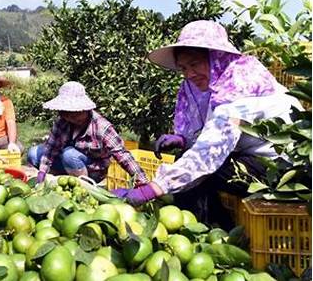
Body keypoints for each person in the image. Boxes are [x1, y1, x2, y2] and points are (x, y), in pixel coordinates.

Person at [113, 20, 302, 229]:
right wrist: (183, 138)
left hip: (286, 171)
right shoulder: (222, 83)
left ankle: (210, 230)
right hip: (259, 160)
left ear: (215, 58)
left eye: (194, 64)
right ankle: (205, 226)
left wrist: (154, 188)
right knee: (190, 159)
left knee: (207, 170)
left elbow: (210, 152)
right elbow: (212, 129)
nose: (188, 74)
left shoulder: (239, 87)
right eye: (183, 67)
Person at [27, 81, 148, 185]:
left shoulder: (101, 127)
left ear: (86, 109)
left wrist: (142, 180)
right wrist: (42, 172)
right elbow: (51, 149)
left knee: (69, 155)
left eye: (75, 113)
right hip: (67, 164)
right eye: (66, 113)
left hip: (93, 171)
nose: (70, 118)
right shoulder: (62, 122)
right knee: (34, 153)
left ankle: (83, 187)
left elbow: (122, 154)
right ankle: (62, 182)